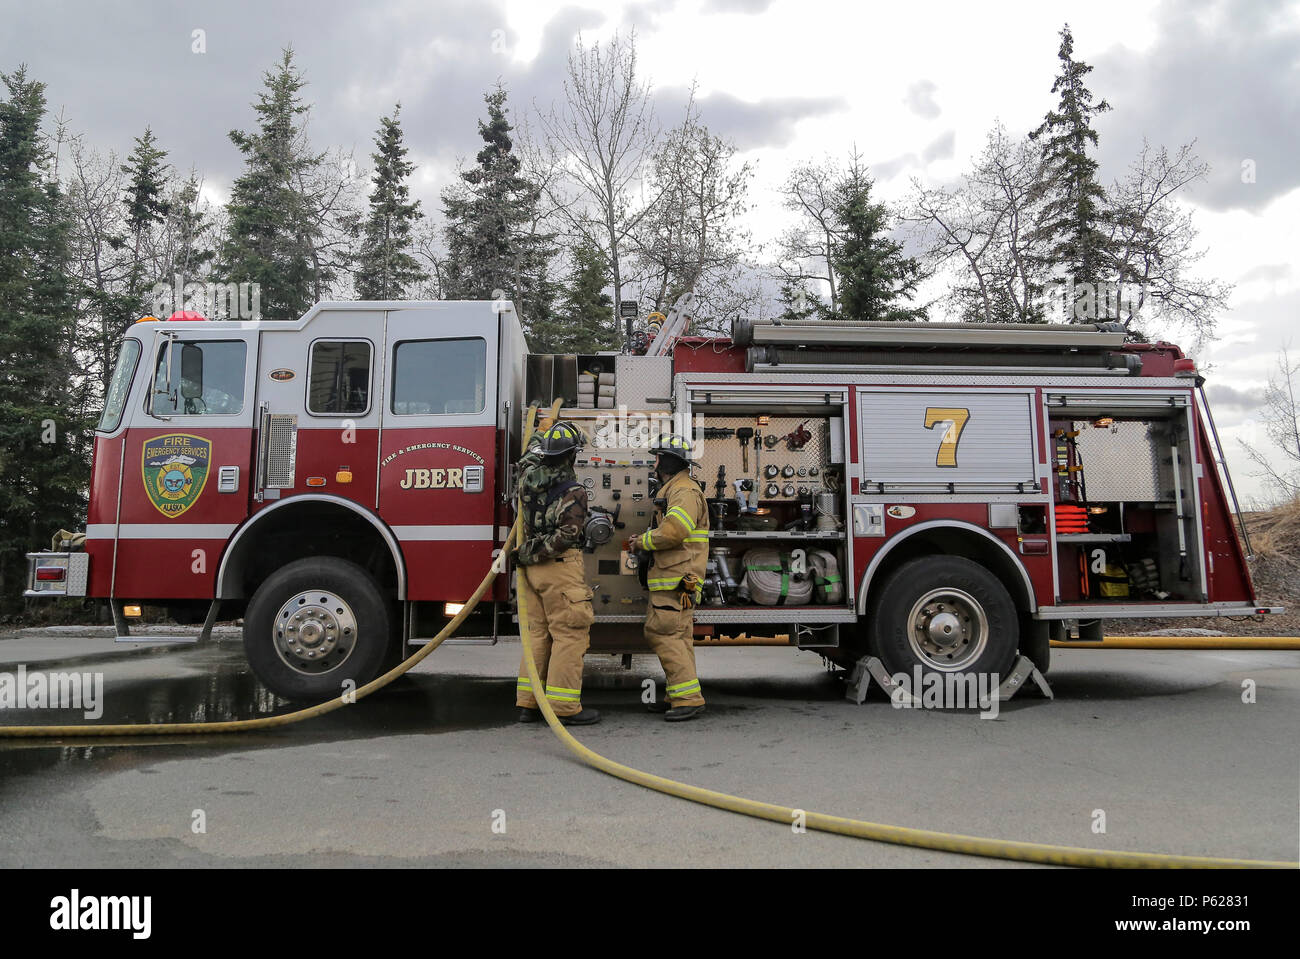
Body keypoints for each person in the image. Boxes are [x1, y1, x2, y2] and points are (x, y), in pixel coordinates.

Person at [513, 421, 600, 726]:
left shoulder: (526, 476)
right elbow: (568, 533)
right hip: (559, 569)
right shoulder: (573, 490)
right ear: (572, 455)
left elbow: (527, 456)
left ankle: (529, 703)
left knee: (537, 635)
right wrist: (535, 550)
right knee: (569, 634)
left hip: (531, 573)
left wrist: (542, 430)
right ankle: (563, 708)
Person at [629, 433, 709, 721]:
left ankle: (687, 700)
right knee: (678, 636)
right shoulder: (677, 488)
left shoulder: (684, 492)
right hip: (676, 579)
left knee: (663, 634)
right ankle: (679, 695)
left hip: (676, 579)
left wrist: (643, 542)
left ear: (667, 461)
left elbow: (675, 531)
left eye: (657, 458)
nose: (654, 464)